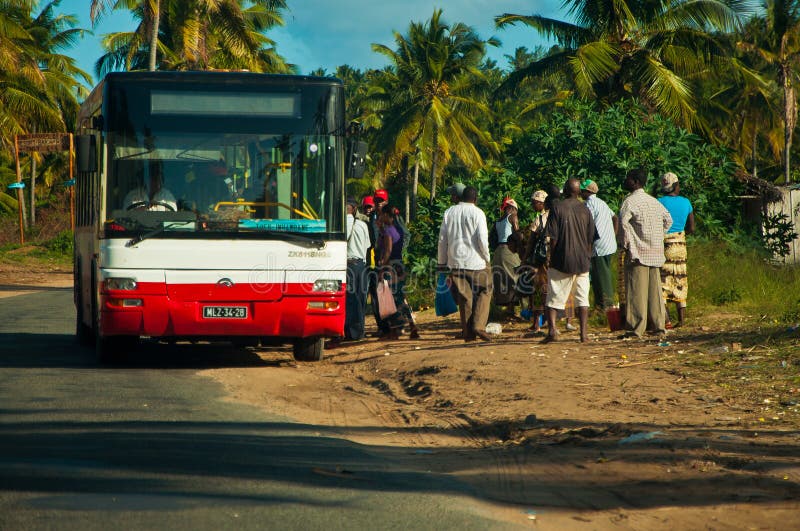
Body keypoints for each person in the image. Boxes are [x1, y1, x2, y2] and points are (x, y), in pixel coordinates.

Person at [618, 168, 673, 338]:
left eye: (628, 179)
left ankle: (636, 329)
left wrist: (627, 243)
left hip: (639, 252)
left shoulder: (629, 202)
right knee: (655, 293)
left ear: (634, 181)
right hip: (655, 252)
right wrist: (658, 236)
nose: (625, 181)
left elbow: (623, 223)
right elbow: (668, 220)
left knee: (636, 292)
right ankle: (659, 327)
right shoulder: (654, 201)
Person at [541, 178, 596, 343]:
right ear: (579, 192)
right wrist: (586, 255)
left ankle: (552, 331)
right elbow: (590, 238)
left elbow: (553, 238)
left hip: (562, 259)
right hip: (582, 261)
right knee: (582, 298)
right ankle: (583, 334)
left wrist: (551, 257)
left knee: (553, 297)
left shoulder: (557, 208)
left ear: (565, 190)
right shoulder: (585, 210)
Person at [438, 186, 493, 342]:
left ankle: (468, 333)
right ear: (475, 199)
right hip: (476, 262)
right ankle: (478, 326)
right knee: (485, 289)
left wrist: (442, 262)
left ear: (461, 197)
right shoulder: (478, 213)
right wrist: (487, 257)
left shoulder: (449, 212)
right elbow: (482, 239)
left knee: (465, 297)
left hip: (455, 262)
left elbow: (442, 240)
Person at [327, 197, 371, 349]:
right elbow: (368, 245)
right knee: (359, 298)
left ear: (351, 208)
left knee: (350, 299)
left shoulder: (343, 223)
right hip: (361, 264)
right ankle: (359, 331)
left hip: (349, 264)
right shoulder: (363, 225)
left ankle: (348, 332)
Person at [375, 204, 419, 340]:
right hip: (399, 264)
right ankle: (412, 325)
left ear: (388, 216)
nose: (380, 217)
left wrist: (382, 267)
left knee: (391, 299)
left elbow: (388, 251)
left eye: (382, 215)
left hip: (391, 267)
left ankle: (394, 331)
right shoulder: (398, 228)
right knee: (401, 297)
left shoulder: (388, 231)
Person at [658, 171, 695, 328]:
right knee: (680, 279)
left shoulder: (659, 202)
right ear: (676, 186)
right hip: (680, 245)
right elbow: (692, 227)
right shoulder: (686, 202)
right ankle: (681, 320)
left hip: (664, 244)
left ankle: (667, 320)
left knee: (663, 281)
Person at [580, 179, 618, 310]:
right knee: (602, 274)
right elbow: (615, 218)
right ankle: (601, 304)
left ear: (587, 192)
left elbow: (586, 225)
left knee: (601, 277)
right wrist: (613, 233)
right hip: (609, 244)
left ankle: (606, 306)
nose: (580, 193)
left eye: (582, 191)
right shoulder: (602, 202)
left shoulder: (588, 205)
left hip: (599, 246)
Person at [519, 190, 549, 335]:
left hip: (542, 261)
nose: (532, 205)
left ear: (541, 203)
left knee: (538, 289)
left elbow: (531, 243)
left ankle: (537, 323)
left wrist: (524, 259)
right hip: (557, 259)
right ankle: (566, 321)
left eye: (534, 203)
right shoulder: (560, 217)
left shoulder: (540, 219)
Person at [491, 197, 521, 316]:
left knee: (503, 279)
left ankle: (509, 309)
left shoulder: (498, 221)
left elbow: (491, 237)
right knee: (515, 277)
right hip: (509, 250)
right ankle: (514, 310)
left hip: (498, 252)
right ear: (512, 208)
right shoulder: (512, 217)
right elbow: (517, 234)